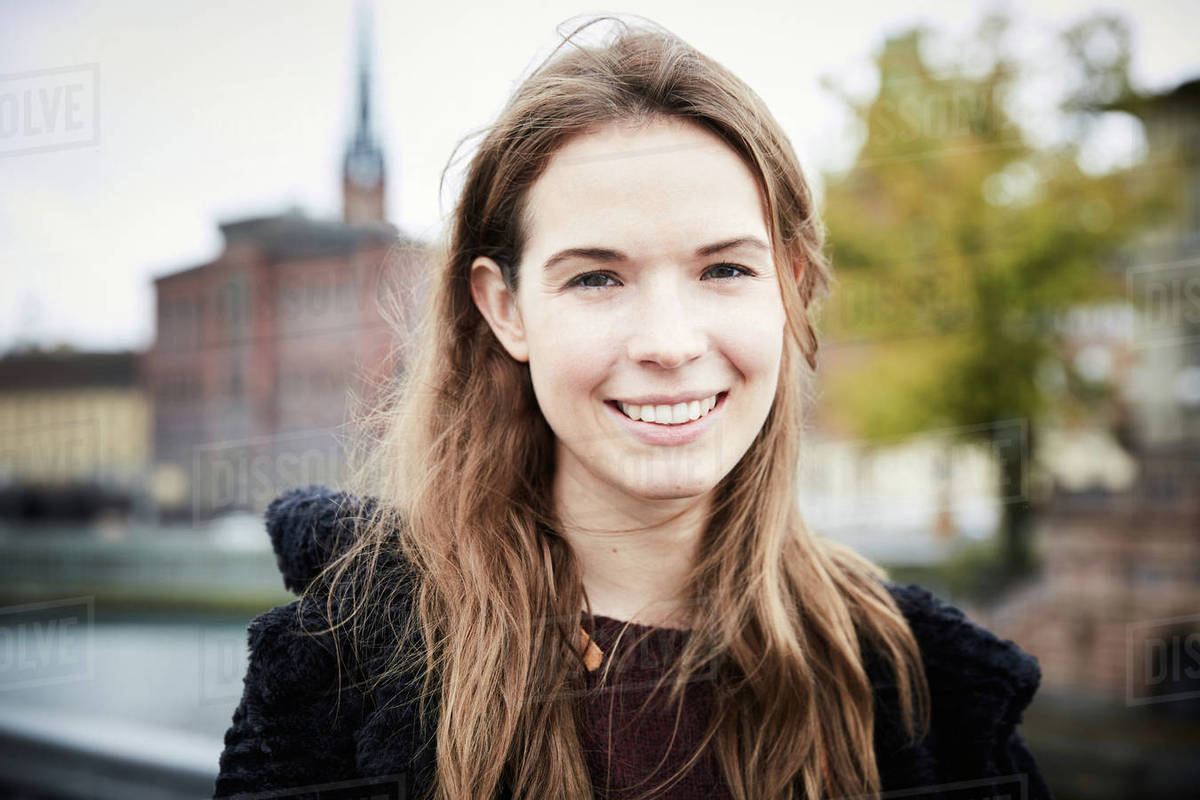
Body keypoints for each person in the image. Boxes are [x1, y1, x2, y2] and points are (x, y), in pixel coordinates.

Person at [215, 17, 1054, 800]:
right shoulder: (342, 667)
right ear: (505, 309)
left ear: (791, 288)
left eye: (724, 269)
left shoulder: (920, 684)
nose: (668, 342)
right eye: (597, 278)